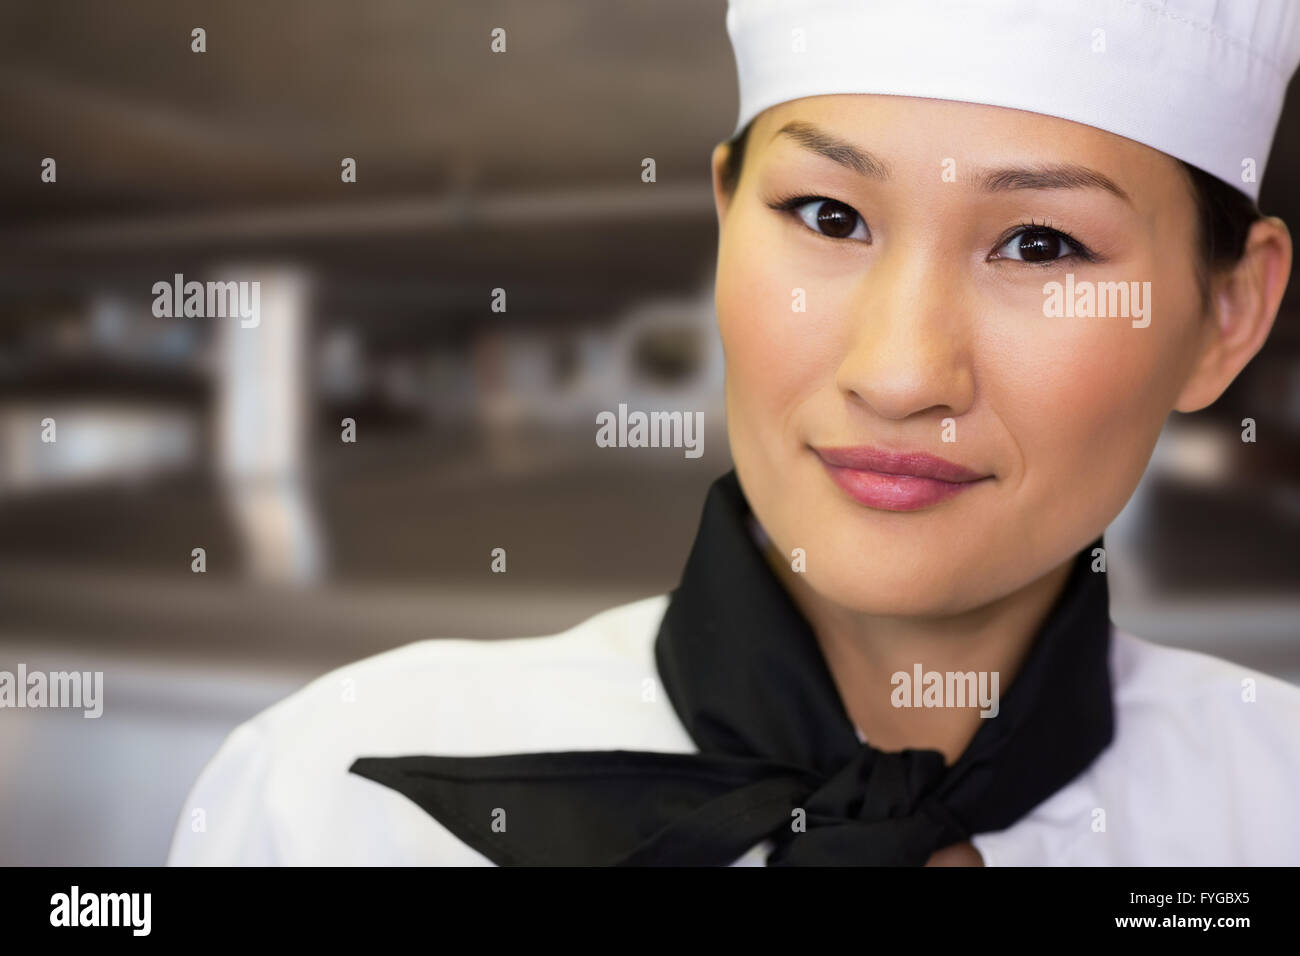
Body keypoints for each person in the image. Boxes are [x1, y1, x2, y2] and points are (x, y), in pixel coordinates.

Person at [168, 0, 1300, 866]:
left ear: (1227, 315)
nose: (899, 373)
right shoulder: (331, 803)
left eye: (1042, 245)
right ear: (723, 224)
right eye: (827, 216)